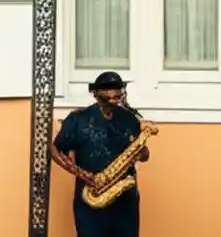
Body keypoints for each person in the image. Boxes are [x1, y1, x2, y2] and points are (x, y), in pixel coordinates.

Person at [50, 71, 150, 237]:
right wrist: (79, 173)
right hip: (92, 195)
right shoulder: (78, 119)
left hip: (125, 200)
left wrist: (142, 151)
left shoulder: (130, 119)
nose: (113, 99)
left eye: (117, 94)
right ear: (95, 94)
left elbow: (145, 155)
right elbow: (55, 150)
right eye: (107, 94)